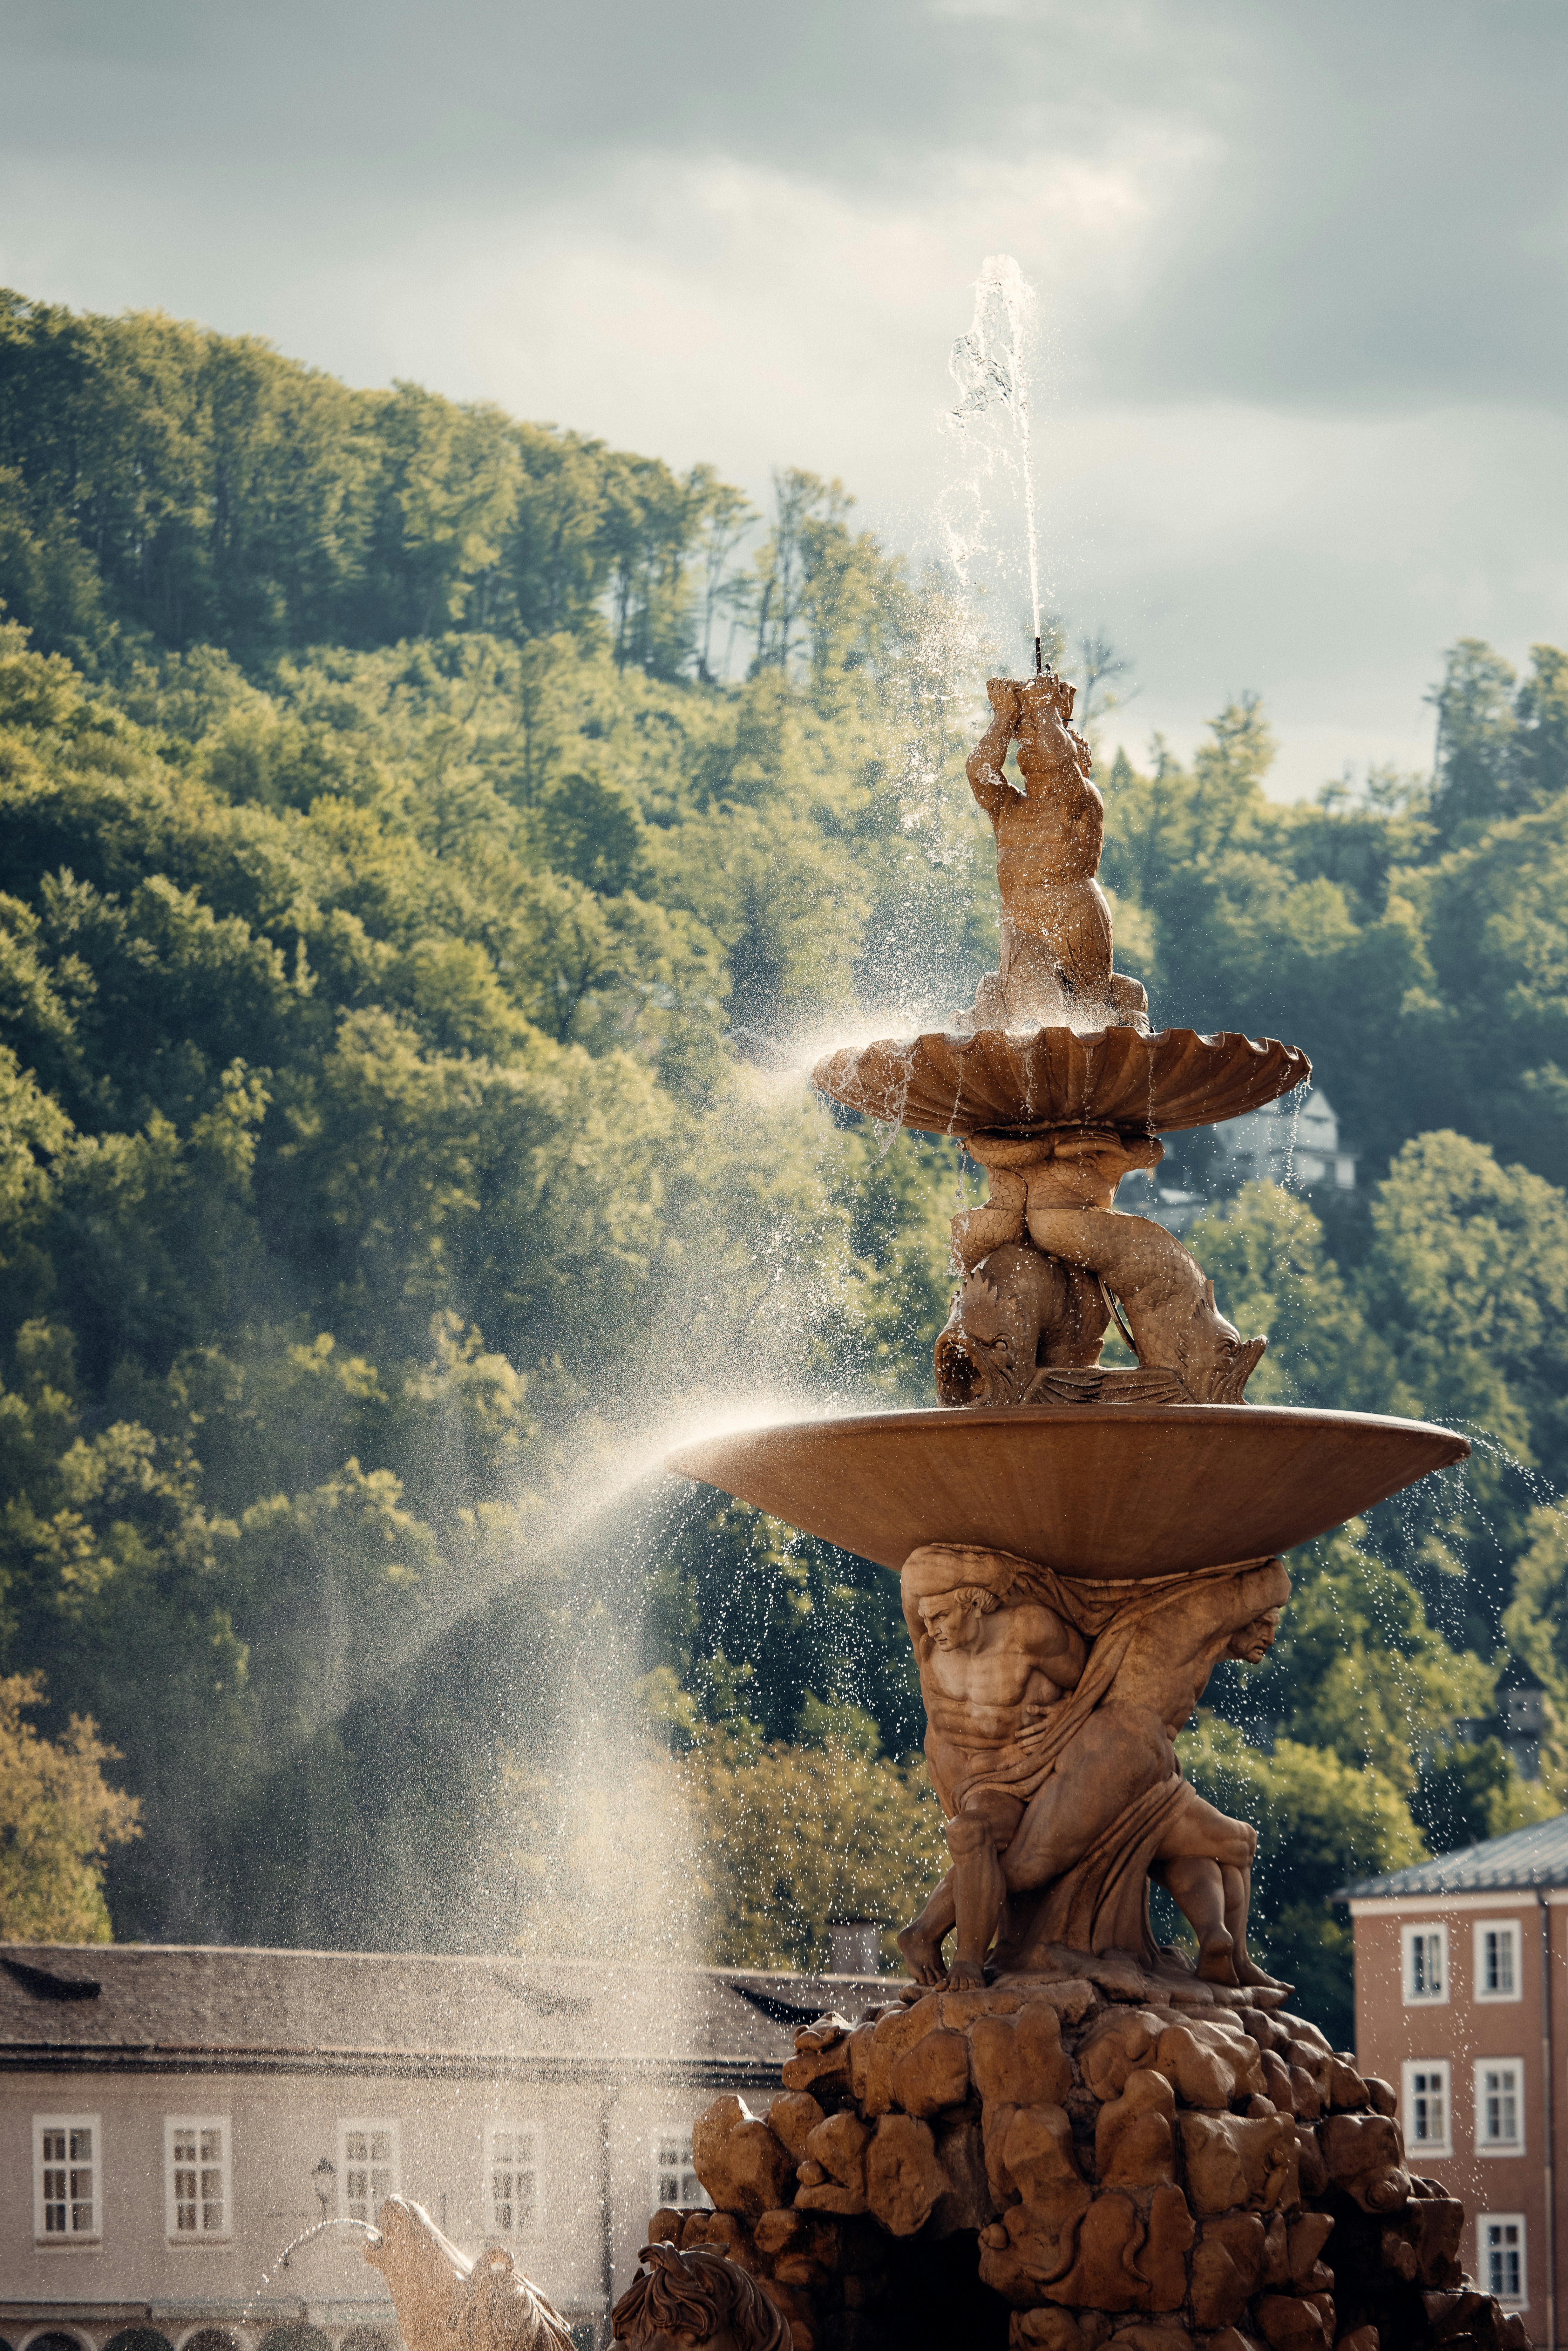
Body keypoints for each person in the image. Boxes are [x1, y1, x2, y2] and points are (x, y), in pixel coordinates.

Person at [894, 1544, 1291, 1989]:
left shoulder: (1030, 1630)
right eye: (925, 1617)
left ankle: (1226, 1953)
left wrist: (1065, 1718)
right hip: (997, 1778)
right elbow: (914, 1584)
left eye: (942, 1616)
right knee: (990, 1843)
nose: (932, 1627)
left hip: (1083, 1762)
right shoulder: (931, 1645)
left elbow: (1086, 1686)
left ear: (975, 1602)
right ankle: (952, 1949)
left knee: (1218, 1843)